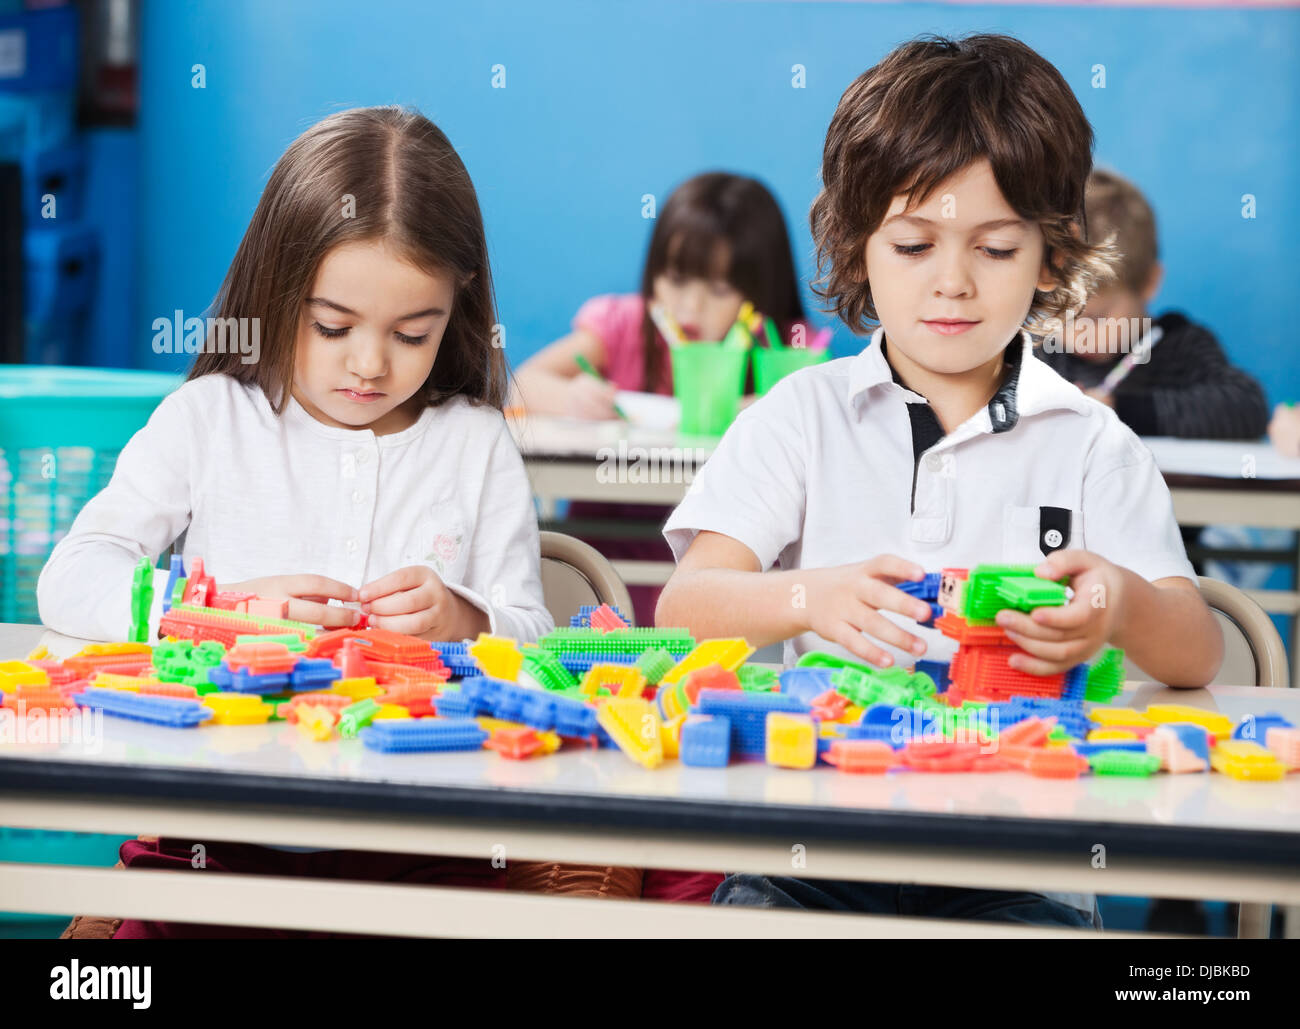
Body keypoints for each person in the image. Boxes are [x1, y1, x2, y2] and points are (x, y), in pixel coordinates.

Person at [657, 34, 1223, 928]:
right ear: (857, 248)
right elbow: (684, 608)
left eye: (995, 250)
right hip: (815, 851)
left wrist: (1116, 603)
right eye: (915, 244)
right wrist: (809, 596)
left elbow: (1195, 652)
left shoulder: (1089, 442)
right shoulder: (802, 416)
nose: (953, 284)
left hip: (1020, 860)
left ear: (1051, 256)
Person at [36, 106, 642, 935]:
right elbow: (71, 575)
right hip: (211, 842)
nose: (369, 363)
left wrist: (466, 619)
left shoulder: (473, 443)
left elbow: (535, 635)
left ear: (456, 306)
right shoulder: (210, 419)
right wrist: (215, 613)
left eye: (412, 332)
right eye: (332, 326)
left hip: (423, 855)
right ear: (275, 287)